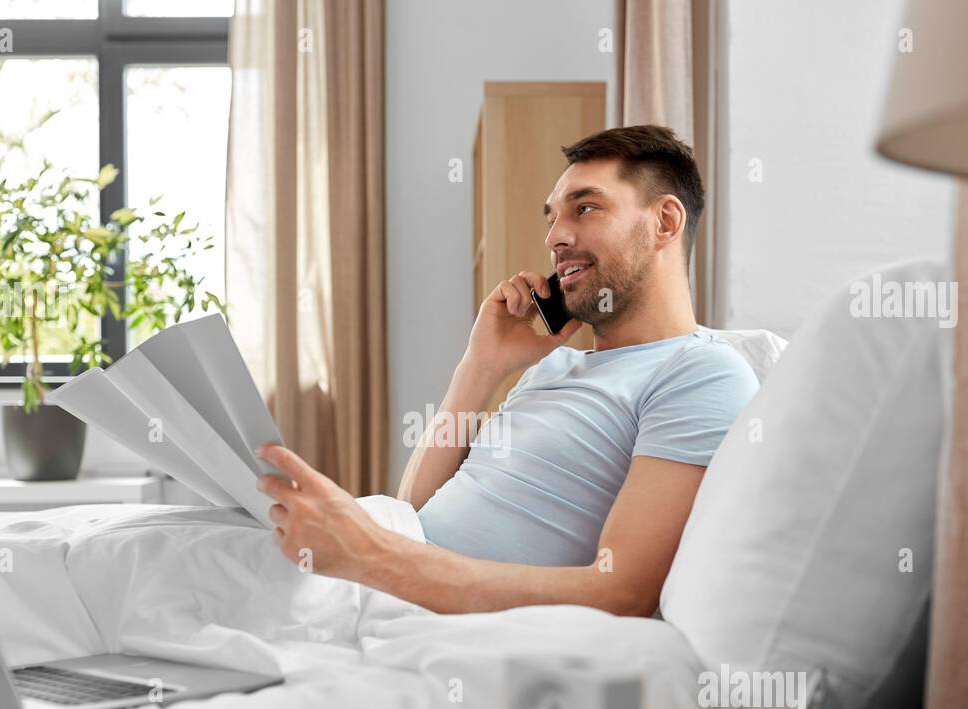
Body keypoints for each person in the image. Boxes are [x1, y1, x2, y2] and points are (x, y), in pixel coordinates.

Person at [255, 124, 757, 617]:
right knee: (195, 535)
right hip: (385, 569)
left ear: (665, 222)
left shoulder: (700, 372)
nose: (555, 237)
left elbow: (621, 593)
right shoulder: (550, 367)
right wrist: (481, 365)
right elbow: (415, 506)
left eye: (585, 207)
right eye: (552, 218)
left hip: (388, 586)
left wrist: (369, 556)